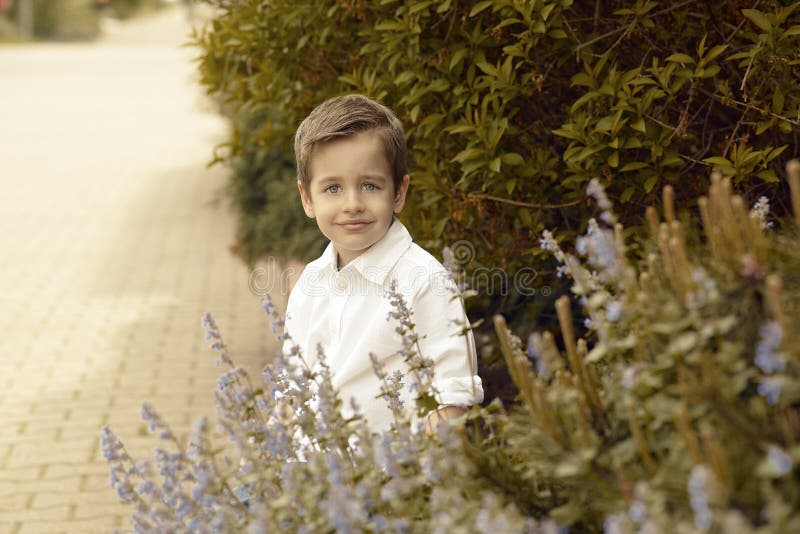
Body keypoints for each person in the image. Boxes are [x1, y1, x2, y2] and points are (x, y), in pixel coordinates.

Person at [282, 94, 483, 434]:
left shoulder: (424, 281)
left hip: (391, 478)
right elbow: (292, 390)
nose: (352, 204)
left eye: (370, 186)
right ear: (307, 198)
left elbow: (450, 396)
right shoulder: (310, 283)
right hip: (313, 476)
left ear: (399, 193)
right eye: (332, 188)